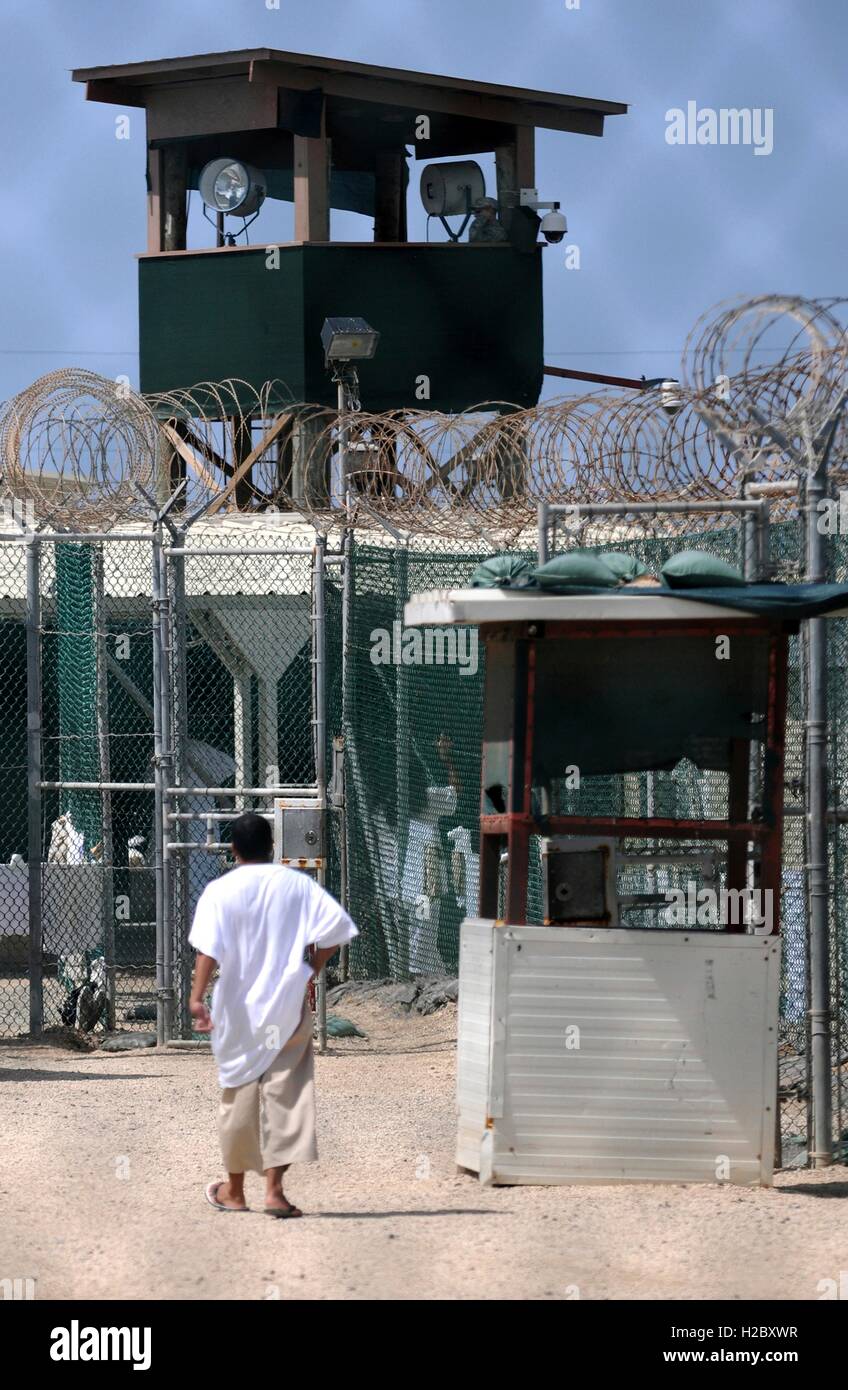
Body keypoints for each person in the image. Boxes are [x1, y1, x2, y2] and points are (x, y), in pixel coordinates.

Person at [189, 811, 357, 1218]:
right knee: (288, 1091)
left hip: (237, 1009)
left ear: (233, 849)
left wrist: (197, 998)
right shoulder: (296, 885)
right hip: (285, 1003)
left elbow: (208, 951)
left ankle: (234, 1190)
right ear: (273, 847)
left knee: (239, 1094)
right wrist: (309, 970)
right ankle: (275, 1191)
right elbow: (335, 930)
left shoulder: (219, 890)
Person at [401, 733, 461, 974]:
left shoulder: (388, 805)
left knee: (416, 933)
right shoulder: (426, 800)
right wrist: (447, 759)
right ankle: (420, 973)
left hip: (402, 881)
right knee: (424, 933)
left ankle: (425, 971)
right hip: (426, 876)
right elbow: (455, 793)